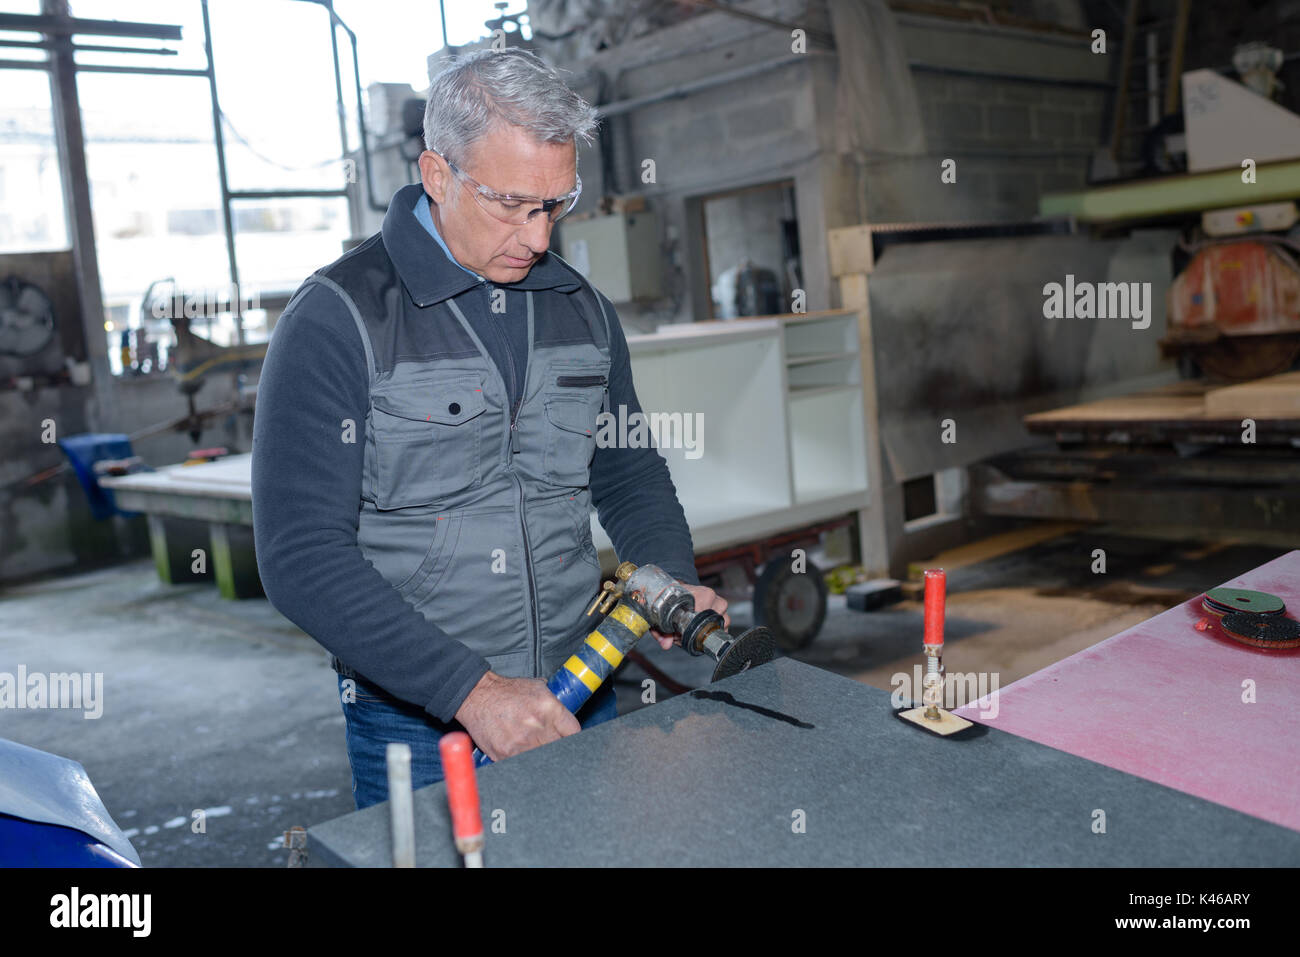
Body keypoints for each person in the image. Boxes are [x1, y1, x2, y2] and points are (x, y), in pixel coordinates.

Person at [251, 48, 727, 810]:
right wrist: (471, 690)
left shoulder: (582, 309)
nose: (538, 238)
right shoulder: (340, 318)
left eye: (554, 206)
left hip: (581, 691)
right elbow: (299, 554)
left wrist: (668, 573)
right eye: (512, 205)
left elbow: (628, 472)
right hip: (421, 722)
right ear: (438, 175)